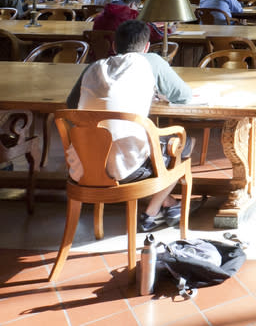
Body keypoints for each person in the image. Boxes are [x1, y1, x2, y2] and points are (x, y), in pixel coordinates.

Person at [65, 20, 193, 232]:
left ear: (114, 46)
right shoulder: (151, 61)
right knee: (183, 144)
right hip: (128, 169)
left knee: (144, 144)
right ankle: (152, 213)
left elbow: (72, 105)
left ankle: (168, 202)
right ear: (146, 47)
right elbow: (184, 96)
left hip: (82, 166)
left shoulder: (94, 67)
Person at [92, 0, 163, 43]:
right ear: (132, 4)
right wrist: (167, 31)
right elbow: (156, 36)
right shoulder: (133, 15)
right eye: (137, 7)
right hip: (125, 55)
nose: (137, 10)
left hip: (99, 55)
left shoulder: (101, 15)